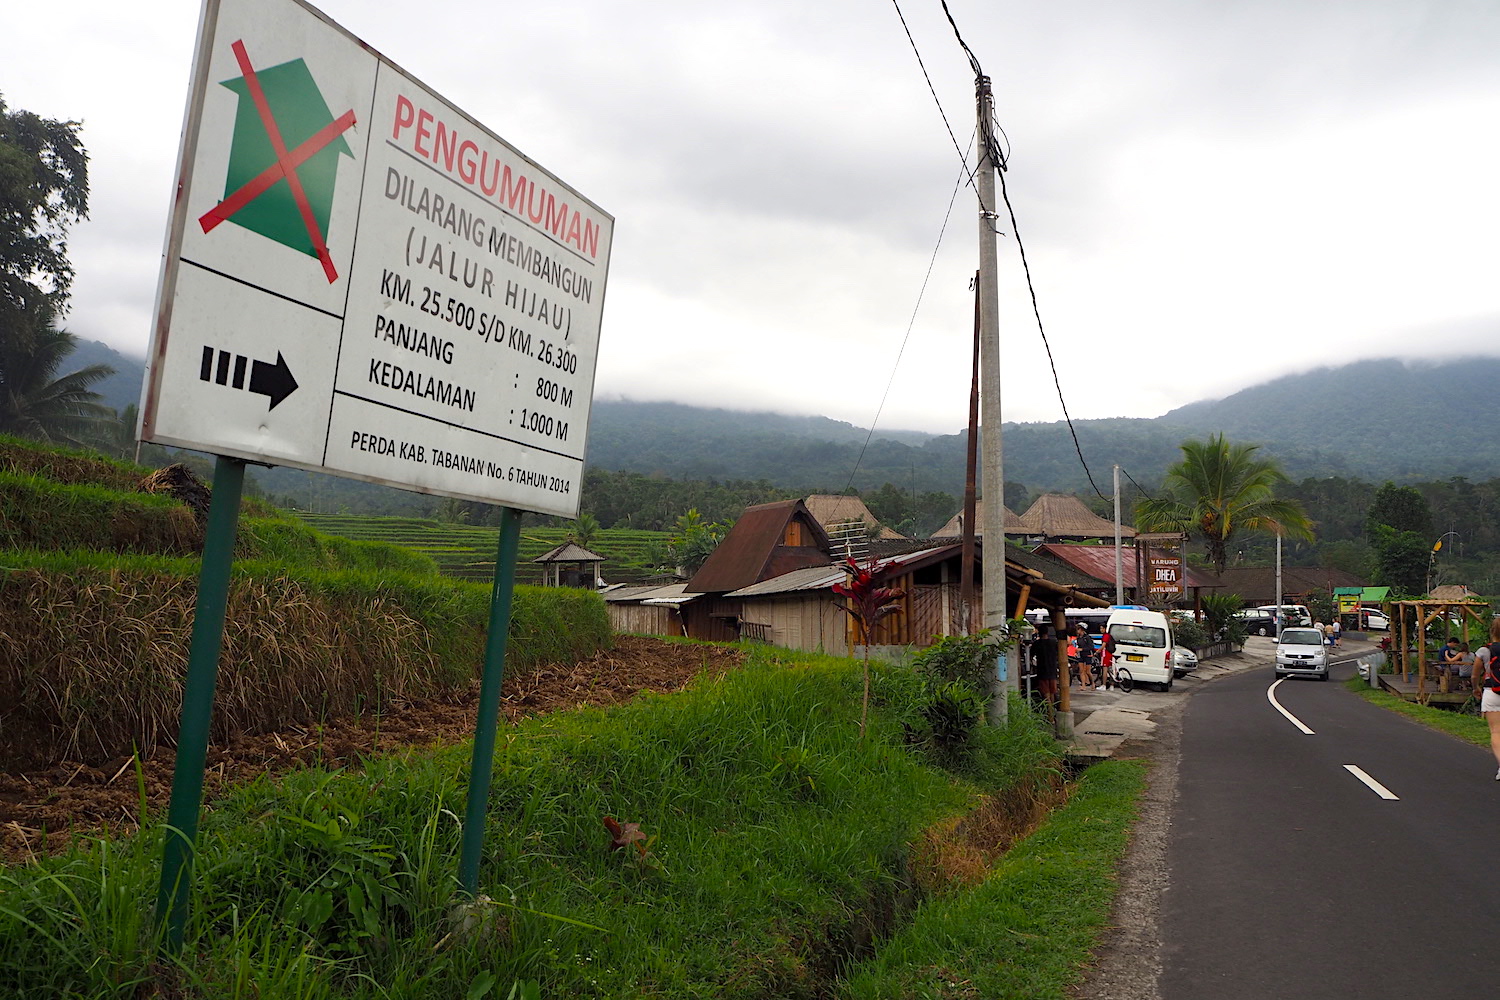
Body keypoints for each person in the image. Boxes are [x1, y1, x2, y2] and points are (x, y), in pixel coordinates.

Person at [1470, 618, 1500, 780]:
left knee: (1496, 731)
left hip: (1492, 691)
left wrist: (1475, 688)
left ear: (1492, 631)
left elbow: (1475, 675)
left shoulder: (1484, 651)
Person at [1030, 624, 1059, 706]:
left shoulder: (1037, 644)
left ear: (1039, 632)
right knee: (1052, 693)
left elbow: (1031, 656)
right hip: (1052, 670)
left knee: (1046, 694)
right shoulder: (1054, 642)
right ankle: (1053, 712)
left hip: (1042, 671)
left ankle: (1050, 715)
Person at [1075, 624, 1098, 688]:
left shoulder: (1087, 637)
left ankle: (1092, 683)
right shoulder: (1078, 637)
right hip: (1080, 655)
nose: (1077, 631)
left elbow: (1091, 647)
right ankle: (1083, 685)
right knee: (1081, 671)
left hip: (1087, 654)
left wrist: (1082, 649)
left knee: (1088, 671)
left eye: (1078, 629)